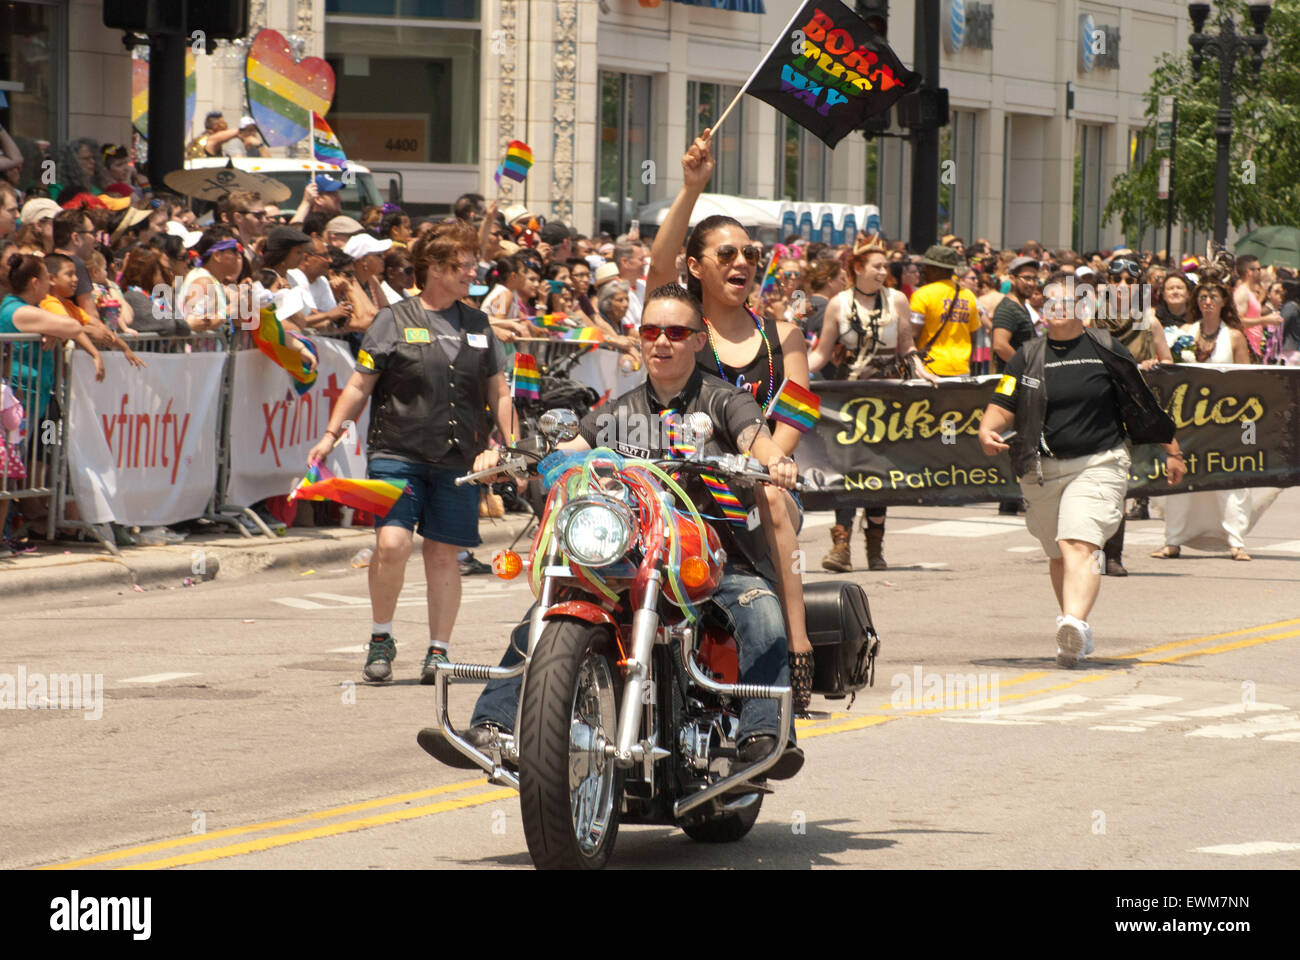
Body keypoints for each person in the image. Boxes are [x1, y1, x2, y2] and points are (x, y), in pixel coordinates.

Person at [438, 284, 804, 780]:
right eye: (651, 331)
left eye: (676, 332)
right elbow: (569, 447)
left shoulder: (724, 400)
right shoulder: (619, 409)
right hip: (632, 553)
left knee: (760, 609)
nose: (661, 342)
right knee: (541, 612)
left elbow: (752, 436)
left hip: (712, 556)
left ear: (698, 341)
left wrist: (773, 460)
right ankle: (492, 726)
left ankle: (765, 736)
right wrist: (507, 459)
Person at [305, 221, 522, 684]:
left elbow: (499, 393)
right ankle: (381, 636)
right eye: (464, 266)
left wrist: (512, 449)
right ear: (437, 269)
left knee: (444, 555)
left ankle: (438, 651)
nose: (472, 273)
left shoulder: (479, 324)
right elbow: (361, 384)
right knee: (392, 543)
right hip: (396, 451)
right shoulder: (393, 320)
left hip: (458, 457)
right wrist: (330, 434)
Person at [647, 129, 814, 713]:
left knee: (770, 500)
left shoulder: (782, 336)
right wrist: (692, 188)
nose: (742, 262)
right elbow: (657, 260)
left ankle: (797, 644)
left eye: (751, 254)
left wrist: (768, 460)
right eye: (727, 254)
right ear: (695, 267)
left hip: (758, 486)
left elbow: (797, 408)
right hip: (678, 480)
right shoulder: (683, 328)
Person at [978, 279, 1185, 667]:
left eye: (1064, 303)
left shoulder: (1105, 349)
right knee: (1060, 552)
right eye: (1049, 302)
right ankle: (1071, 630)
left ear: (1081, 309)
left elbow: (1142, 403)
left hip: (1099, 463)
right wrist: (987, 428)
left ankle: (1075, 622)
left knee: (1080, 543)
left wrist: (1172, 450)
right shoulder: (1027, 356)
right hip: (1042, 469)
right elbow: (1004, 401)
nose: (1055, 309)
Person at [807, 239, 936, 572]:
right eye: (877, 266)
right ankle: (841, 546)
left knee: (880, 469)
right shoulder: (838, 304)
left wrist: (923, 371)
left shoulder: (897, 300)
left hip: (886, 395)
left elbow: (907, 347)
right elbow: (822, 353)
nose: (884, 271)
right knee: (847, 468)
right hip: (847, 397)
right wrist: (792, 369)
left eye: (885, 266)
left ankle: (876, 546)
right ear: (857, 267)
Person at [1151, 276, 1263, 561]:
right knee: (1180, 478)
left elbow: (1247, 378)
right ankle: (1172, 540)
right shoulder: (1184, 332)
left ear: (1224, 301)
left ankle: (1236, 542)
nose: (1208, 302)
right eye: (1202, 297)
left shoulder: (1234, 336)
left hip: (1225, 418)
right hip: (1191, 418)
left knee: (1230, 481)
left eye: (1213, 297)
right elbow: (1169, 367)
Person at [909, 244, 982, 377]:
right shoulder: (968, 295)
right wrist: (967, 364)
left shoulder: (922, 294)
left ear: (936, 269)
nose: (923, 270)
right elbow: (973, 336)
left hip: (929, 369)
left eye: (927, 267)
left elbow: (913, 335)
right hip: (961, 369)